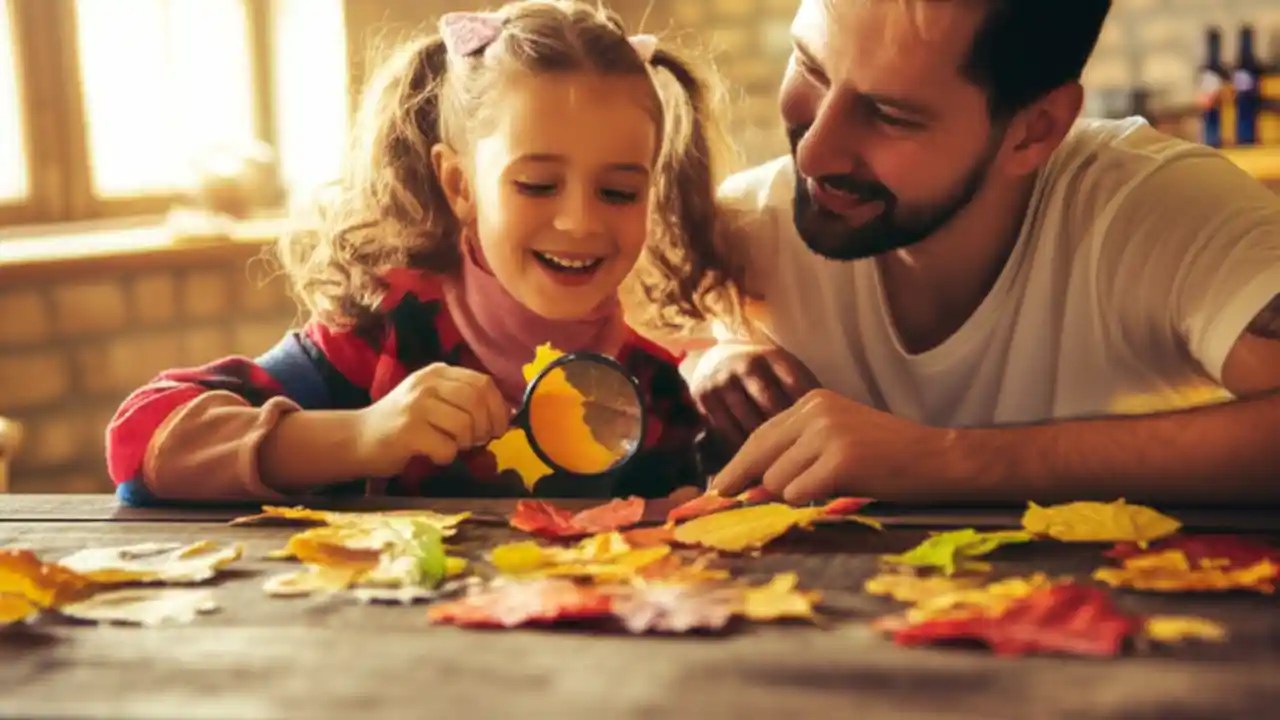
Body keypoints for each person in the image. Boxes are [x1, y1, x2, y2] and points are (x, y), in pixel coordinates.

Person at [106, 1, 728, 504]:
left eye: (618, 191)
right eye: (537, 184)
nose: (578, 220)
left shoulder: (658, 394)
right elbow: (138, 443)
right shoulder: (380, 340)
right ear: (460, 185)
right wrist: (360, 434)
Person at [692, 0, 1280, 505]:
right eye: (810, 68)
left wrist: (948, 461)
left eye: (891, 115)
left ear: (1034, 131)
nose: (814, 154)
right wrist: (707, 365)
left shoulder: (1155, 208)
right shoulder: (747, 232)